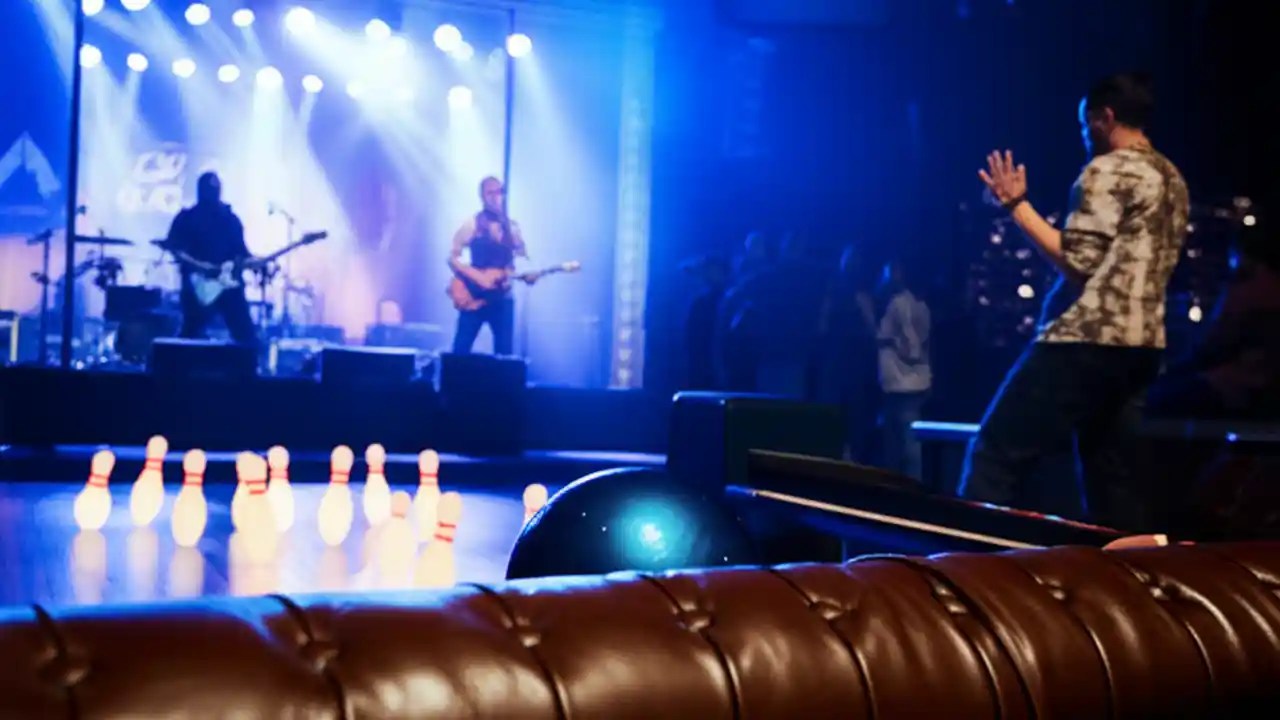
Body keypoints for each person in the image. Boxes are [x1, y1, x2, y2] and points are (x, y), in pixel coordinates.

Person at [959, 73, 1190, 531]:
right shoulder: (1172, 177)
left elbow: (1078, 262)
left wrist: (1016, 206)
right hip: (1143, 348)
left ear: (1105, 118)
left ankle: (964, 576)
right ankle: (1131, 587)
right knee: (1114, 482)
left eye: (1087, 125)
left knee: (995, 455)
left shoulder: (1108, 169)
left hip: (1083, 341)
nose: (1085, 136)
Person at [166, 172, 259, 349]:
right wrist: (200, 267)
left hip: (228, 286)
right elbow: (175, 249)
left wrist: (255, 262)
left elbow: (241, 252)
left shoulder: (230, 219)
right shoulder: (187, 218)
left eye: (214, 190)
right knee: (190, 335)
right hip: (197, 287)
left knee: (246, 336)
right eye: (208, 190)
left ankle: (247, 372)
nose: (211, 194)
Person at [448, 176, 527, 355]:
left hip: (502, 296)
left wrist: (515, 273)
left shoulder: (512, 227)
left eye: (498, 192)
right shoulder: (472, 224)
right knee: (461, 349)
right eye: (490, 193)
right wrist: (475, 276)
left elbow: (522, 257)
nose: (495, 197)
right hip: (475, 297)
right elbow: (452, 257)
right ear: (482, 196)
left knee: (504, 353)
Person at [876, 258, 931, 481]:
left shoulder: (901, 303)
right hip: (910, 382)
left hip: (903, 382)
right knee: (901, 444)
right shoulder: (921, 303)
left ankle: (909, 490)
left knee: (906, 446)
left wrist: (887, 342)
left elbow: (912, 347)